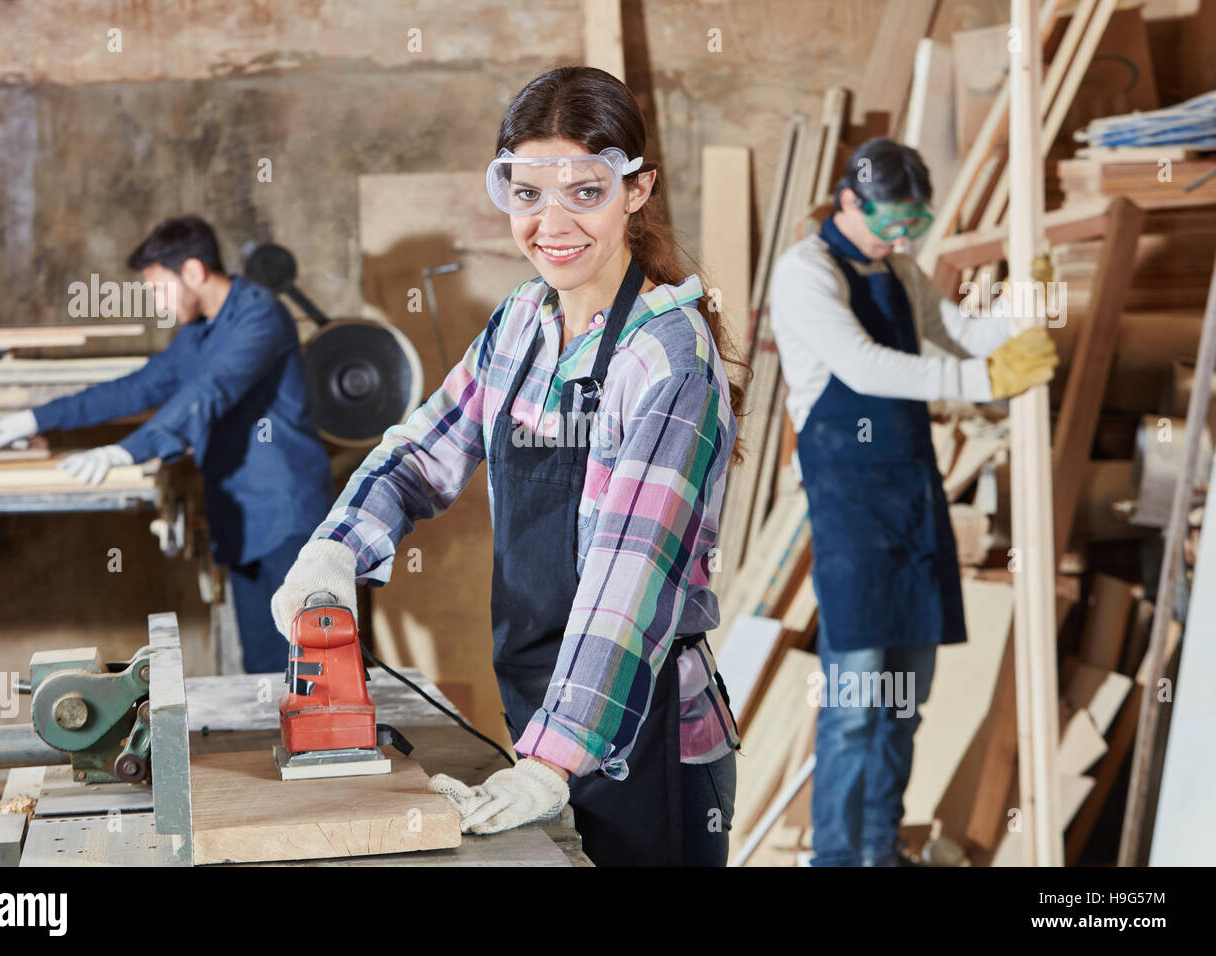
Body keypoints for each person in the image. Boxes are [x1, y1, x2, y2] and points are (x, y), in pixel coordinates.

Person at [271, 66, 743, 867]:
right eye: (527, 194)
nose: (551, 223)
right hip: (539, 719)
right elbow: (423, 453)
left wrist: (553, 763)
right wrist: (335, 551)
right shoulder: (522, 323)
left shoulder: (667, 360)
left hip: (640, 731)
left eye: (584, 193)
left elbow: (626, 591)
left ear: (637, 190)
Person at [770, 138, 1059, 867]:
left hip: (912, 500)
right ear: (848, 202)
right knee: (855, 708)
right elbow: (865, 368)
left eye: (913, 222)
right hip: (852, 514)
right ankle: (836, 860)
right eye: (891, 219)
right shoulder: (804, 273)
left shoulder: (897, 263)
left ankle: (879, 853)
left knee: (904, 704)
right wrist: (988, 381)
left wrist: (1029, 315)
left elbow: (957, 332)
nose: (903, 236)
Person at [0, 216, 333, 674]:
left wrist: (127, 451)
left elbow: (208, 392)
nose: (156, 303)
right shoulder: (197, 333)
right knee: (265, 670)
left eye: (158, 289)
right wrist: (35, 417)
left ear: (192, 272)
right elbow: (138, 387)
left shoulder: (260, 315)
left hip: (289, 521)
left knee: (315, 667)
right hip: (242, 523)